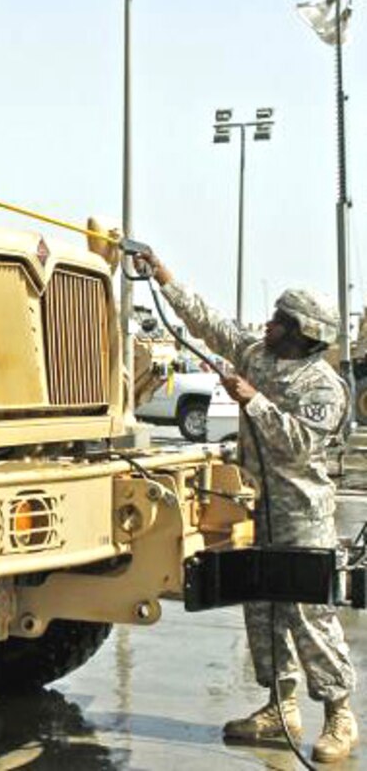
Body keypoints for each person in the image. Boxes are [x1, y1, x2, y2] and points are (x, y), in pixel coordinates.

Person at [138, 251, 358, 763]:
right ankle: (277, 707)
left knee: (307, 612)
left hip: (302, 513)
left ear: (303, 331)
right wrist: (163, 275)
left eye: (280, 320)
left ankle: (338, 714)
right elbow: (210, 324)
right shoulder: (257, 354)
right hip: (253, 506)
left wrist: (254, 401)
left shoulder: (323, 386)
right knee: (262, 608)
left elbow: (301, 444)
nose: (269, 324)